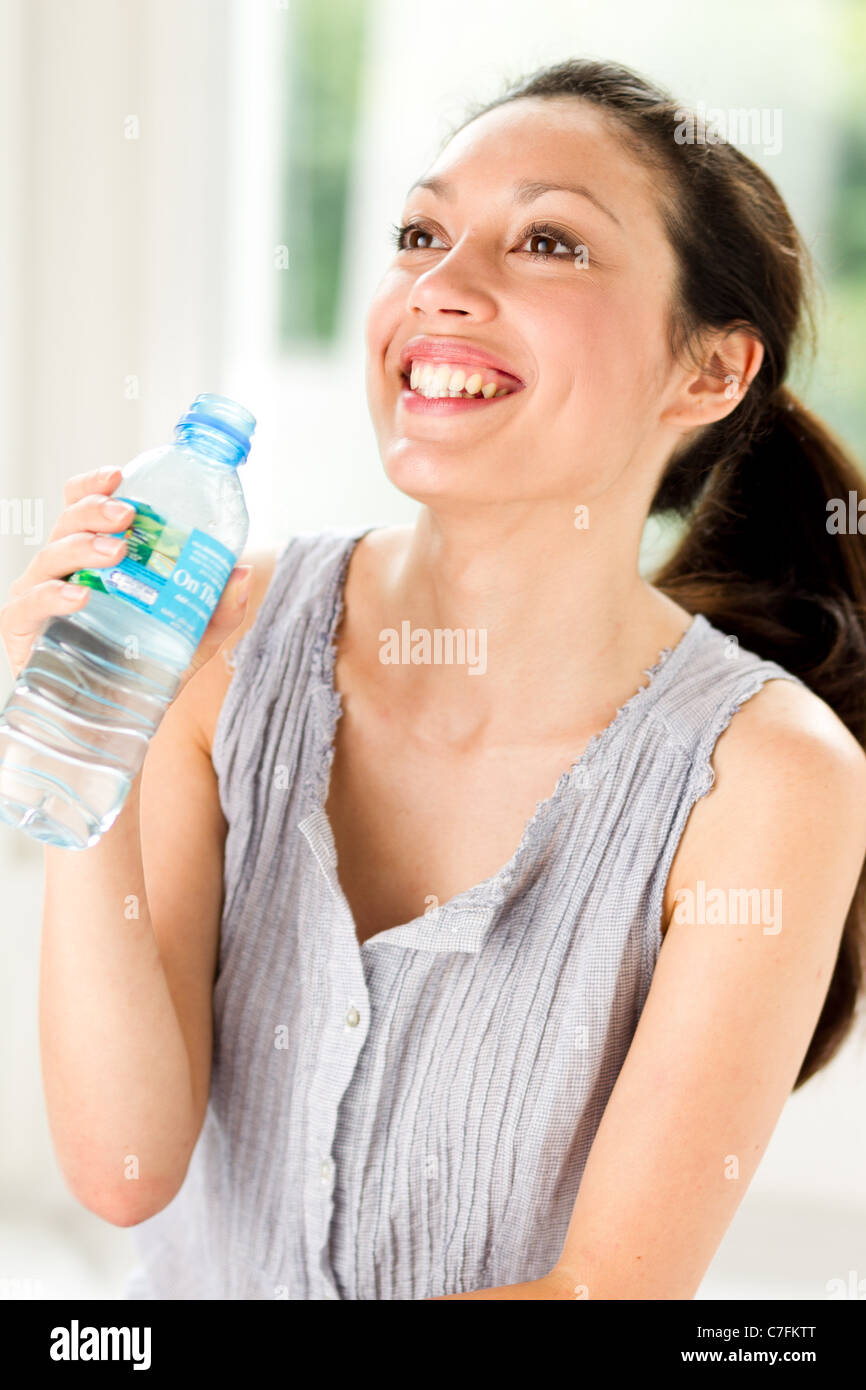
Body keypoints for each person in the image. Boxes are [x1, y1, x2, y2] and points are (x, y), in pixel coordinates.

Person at [6, 58, 866, 1301]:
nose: (441, 287)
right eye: (419, 232)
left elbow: (601, 1298)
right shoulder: (215, 640)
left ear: (708, 371)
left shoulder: (767, 780)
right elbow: (127, 1168)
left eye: (549, 244)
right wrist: (95, 739)